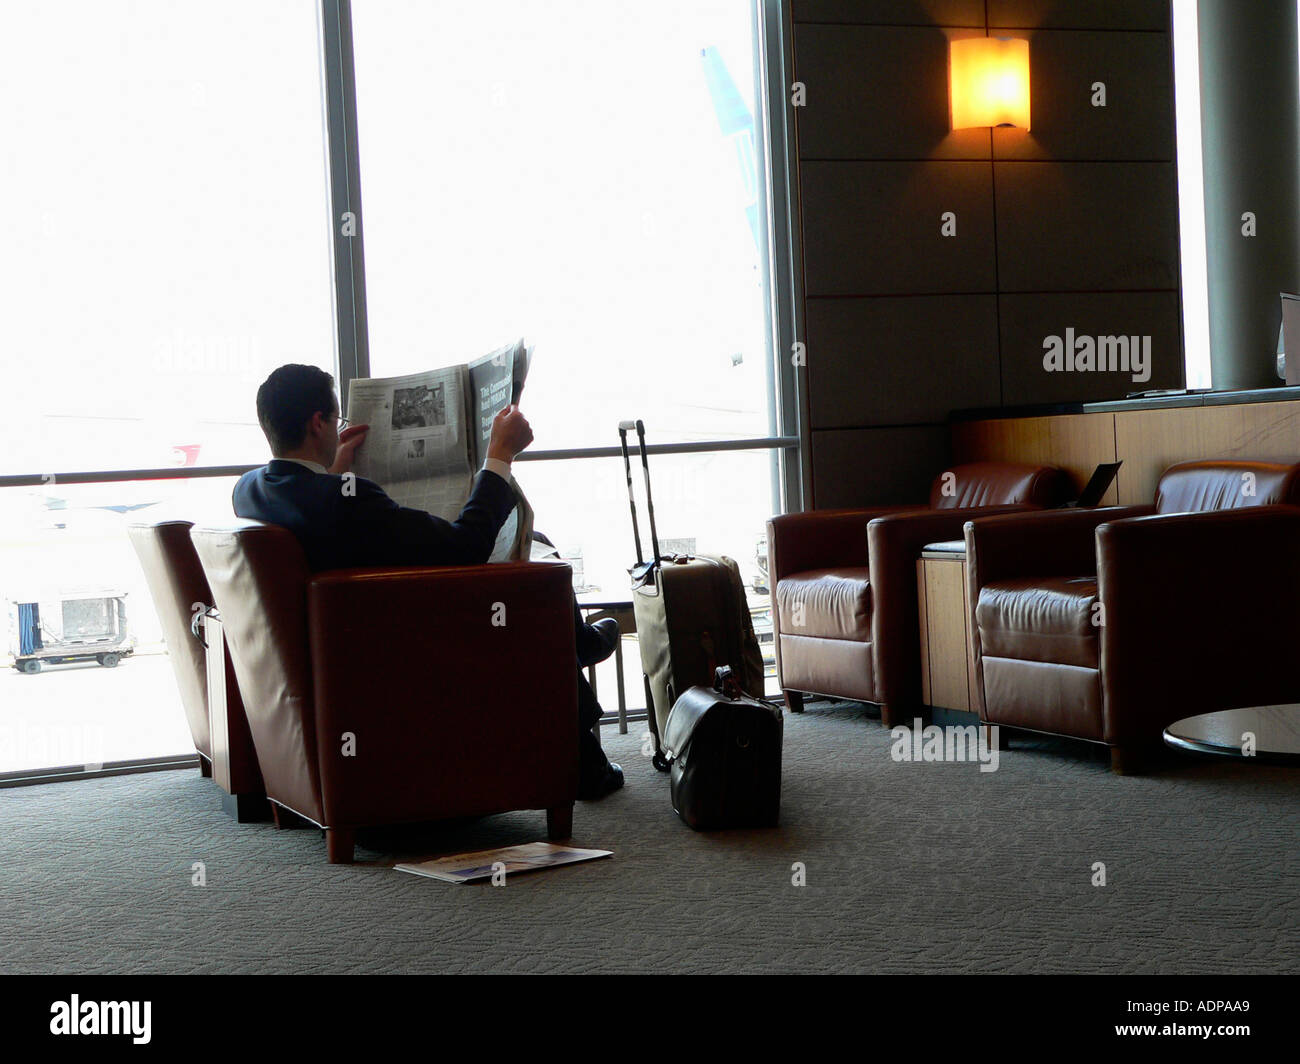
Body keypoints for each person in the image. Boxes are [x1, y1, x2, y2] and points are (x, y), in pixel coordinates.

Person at [232, 363, 624, 800]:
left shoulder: (249, 490)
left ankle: (579, 644)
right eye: (336, 419)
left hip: (340, 649)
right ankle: (583, 716)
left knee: (537, 546)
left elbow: (313, 509)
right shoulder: (348, 501)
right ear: (317, 423)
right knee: (534, 585)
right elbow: (465, 547)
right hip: (408, 648)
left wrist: (328, 474)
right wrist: (500, 456)